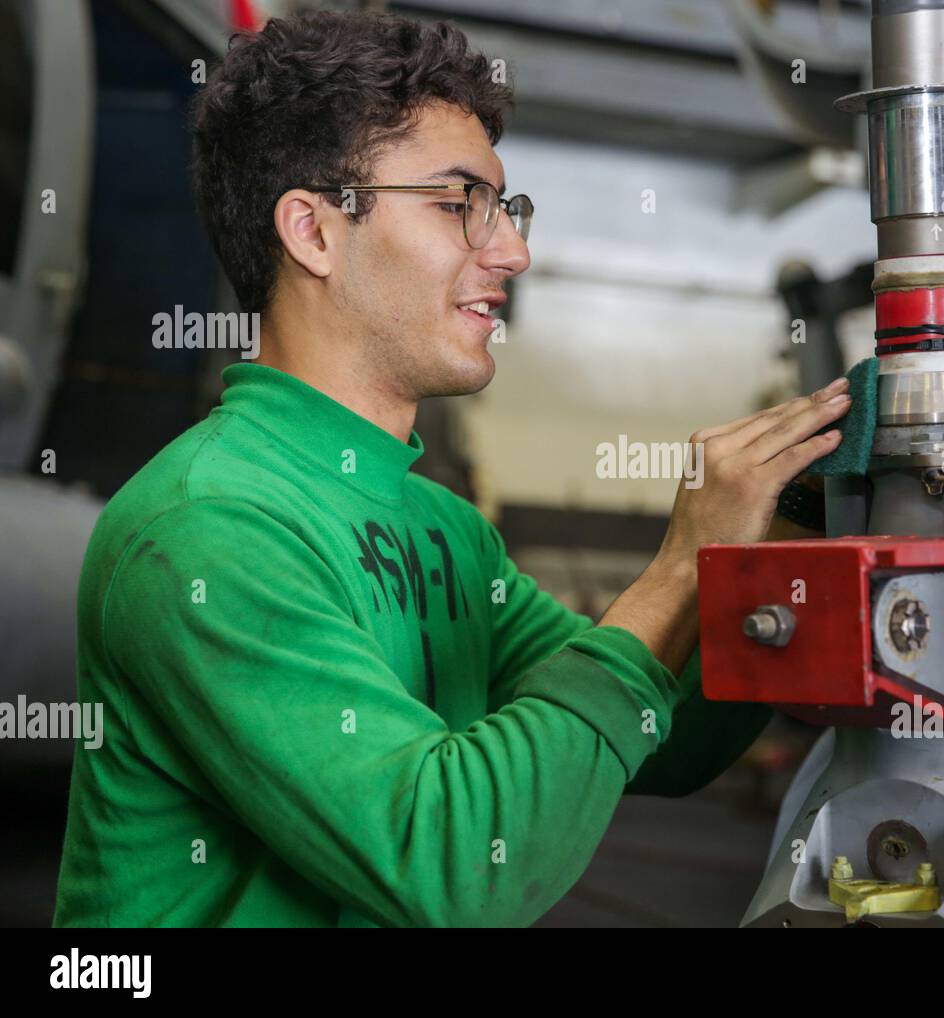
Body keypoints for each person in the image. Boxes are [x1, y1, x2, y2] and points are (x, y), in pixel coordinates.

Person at [54, 10, 850, 927]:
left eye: (507, 211)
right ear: (312, 233)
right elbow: (454, 863)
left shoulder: (448, 533)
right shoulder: (207, 530)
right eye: (457, 203)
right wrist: (680, 570)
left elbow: (662, 739)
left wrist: (788, 516)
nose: (511, 250)